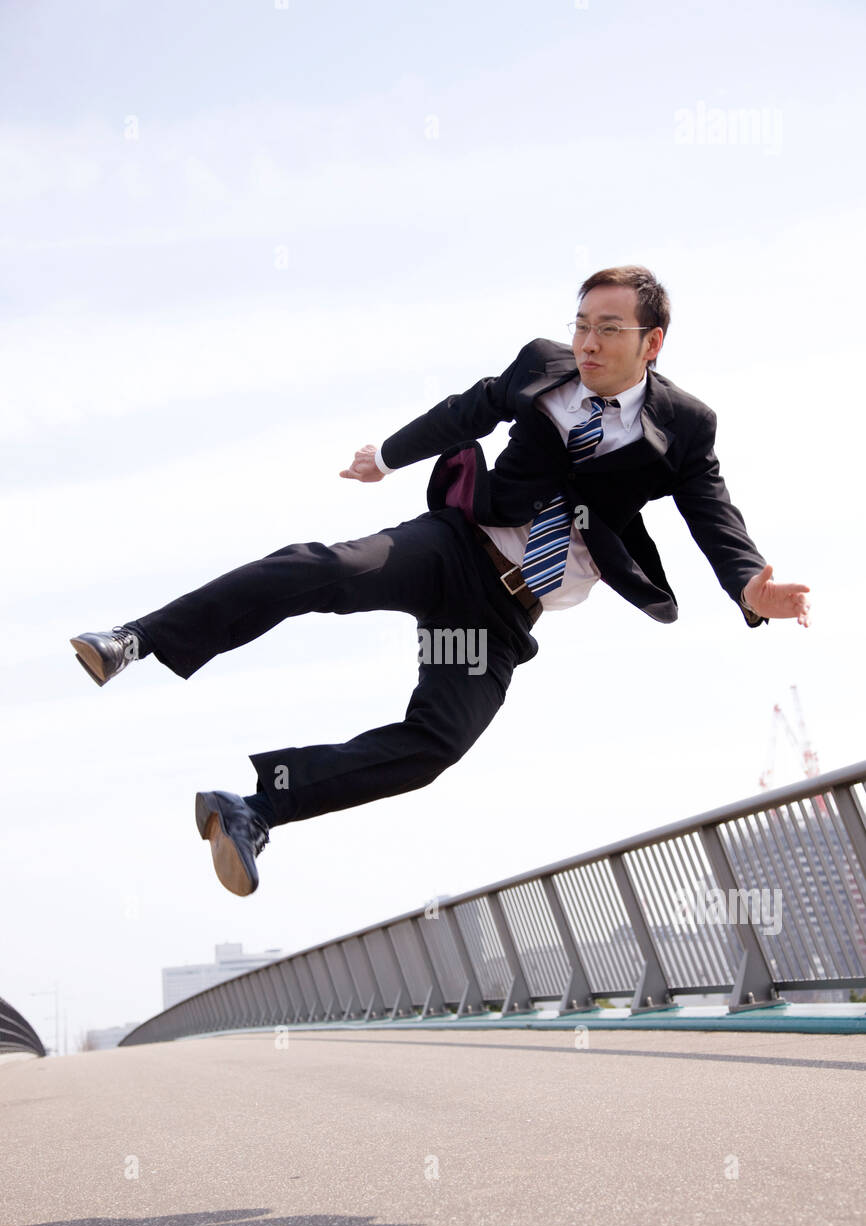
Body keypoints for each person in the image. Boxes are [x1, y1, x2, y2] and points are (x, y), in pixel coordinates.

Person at [70, 265, 811, 897]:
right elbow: (467, 411)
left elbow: (711, 512)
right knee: (323, 570)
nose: (587, 342)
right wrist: (385, 459)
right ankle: (135, 638)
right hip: (454, 548)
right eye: (582, 323)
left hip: (499, 616)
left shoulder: (684, 425)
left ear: (652, 342)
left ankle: (255, 810)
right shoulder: (542, 364)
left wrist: (751, 589)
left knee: (434, 746)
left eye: (609, 329)